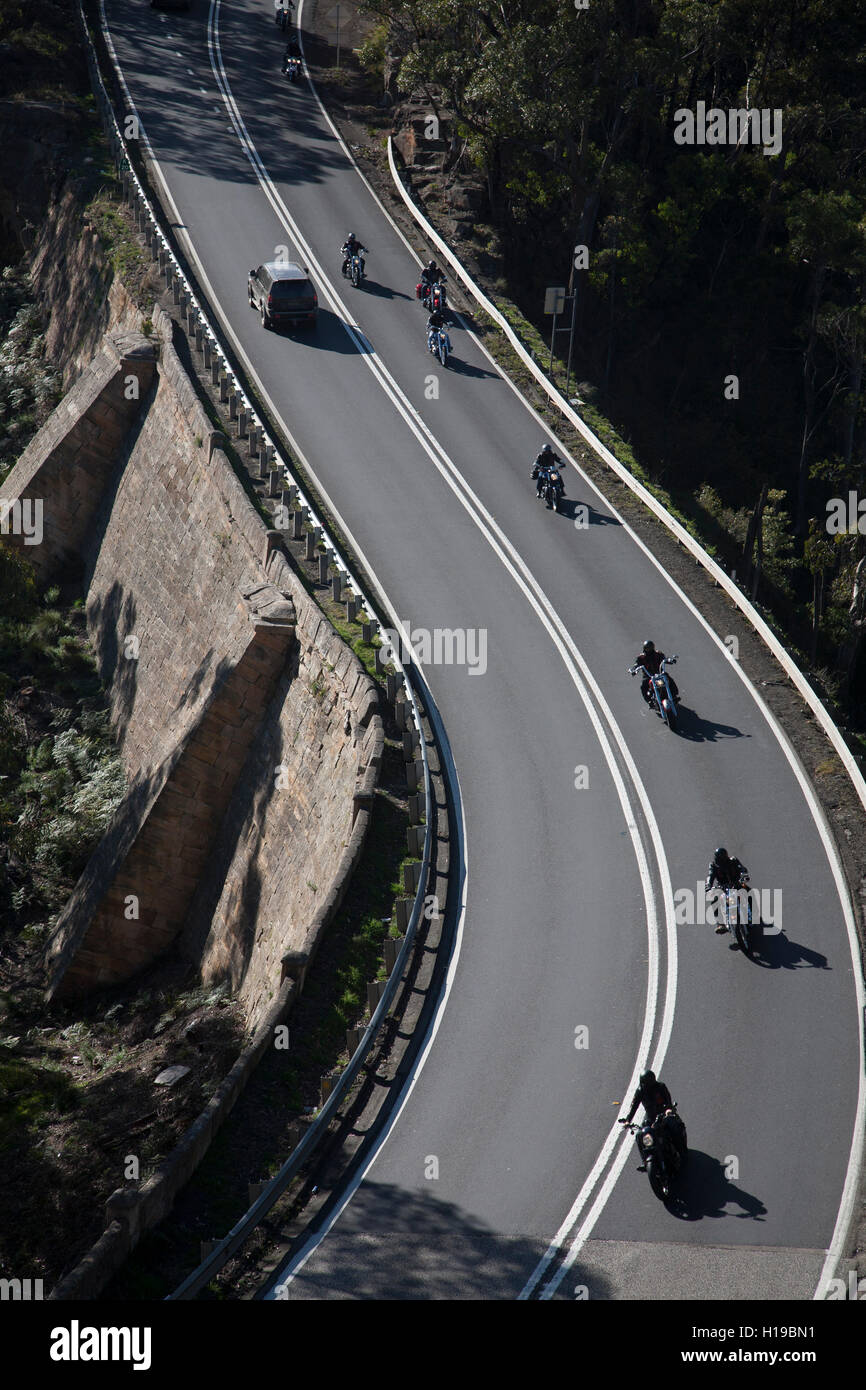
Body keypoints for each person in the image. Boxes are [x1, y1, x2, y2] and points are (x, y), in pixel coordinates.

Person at [619, 1070, 674, 1170]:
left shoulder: (660, 1087)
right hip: (650, 1117)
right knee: (640, 1135)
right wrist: (628, 1120)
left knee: (673, 1127)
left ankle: (679, 1150)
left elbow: (668, 1099)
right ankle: (645, 1161)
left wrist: (668, 1109)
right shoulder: (640, 1091)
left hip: (664, 1114)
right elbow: (634, 1106)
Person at [706, 847, 749, 934]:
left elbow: (741, 868)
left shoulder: (733, 860)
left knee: (748, 891)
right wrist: (708, 885)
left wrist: (743, 873)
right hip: (722, 887)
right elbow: (710, 876)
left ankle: (754, 912)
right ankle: (720, 924)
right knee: (714, 900)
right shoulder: (713, 865)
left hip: (736, 883)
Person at [631, 639, 679, 704]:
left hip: (659, 674)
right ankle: (649, 701)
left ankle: (674, 695)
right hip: (648, 676)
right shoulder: (641, 657)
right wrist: (634, 670)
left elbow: (664, 659)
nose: (649, 649)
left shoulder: (658, 654)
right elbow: (636, 664)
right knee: (643, 687)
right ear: (645, 648)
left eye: (650, 647)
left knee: (669, 680)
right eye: (648, 648)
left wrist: (670, 660)